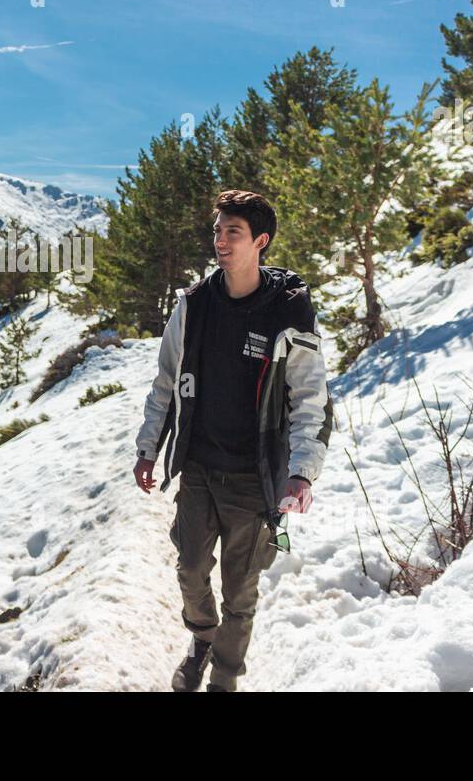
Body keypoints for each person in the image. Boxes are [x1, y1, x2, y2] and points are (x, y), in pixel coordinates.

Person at [133, 190, 332, 692]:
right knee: (191, 568)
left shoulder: (289, 312)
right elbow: (165, 380)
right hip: (199, 464)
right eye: (217, 231)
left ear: (260, 242)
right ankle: (202, 638)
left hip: (256, 476)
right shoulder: (194, 305)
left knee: (240, 593)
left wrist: (302, 470)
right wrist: (148, 447)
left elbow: (311, 396)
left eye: (232, 232)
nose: (220, 241)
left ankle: (224, 677)